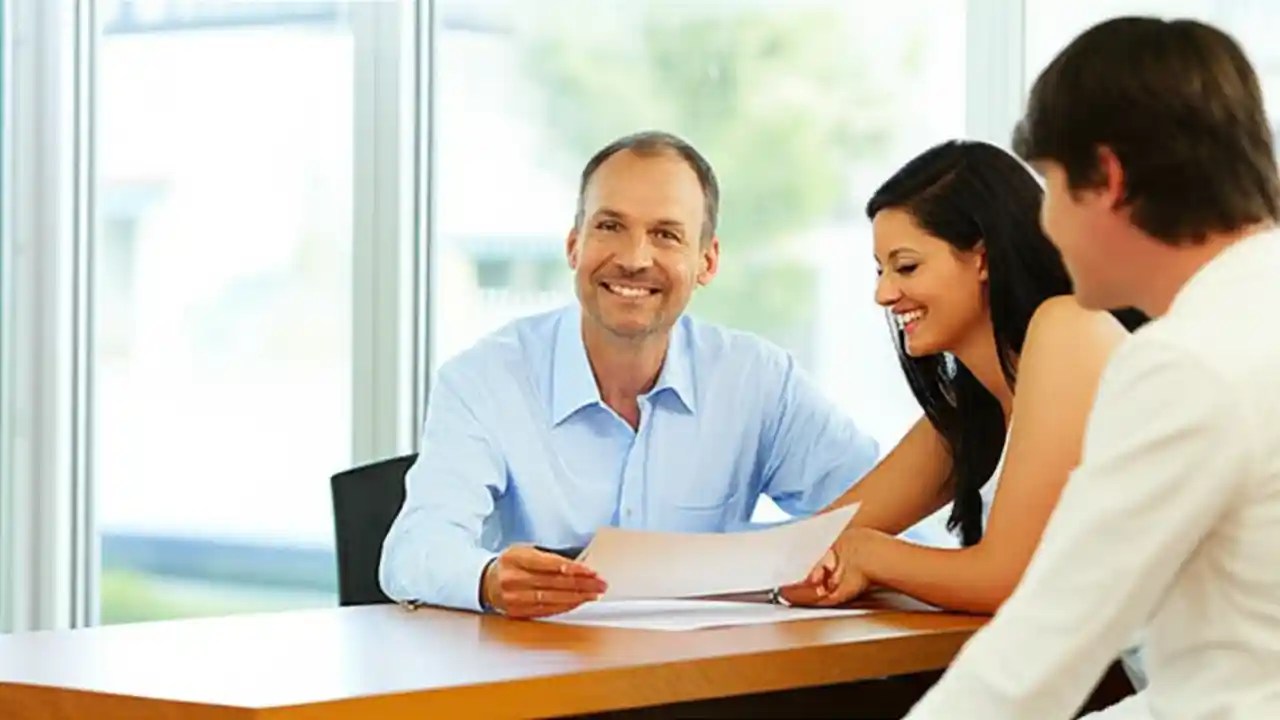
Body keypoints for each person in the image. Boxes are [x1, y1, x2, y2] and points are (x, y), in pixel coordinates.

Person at [905, 17, 1280, 719]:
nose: (1042, 223)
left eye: (1048, 184)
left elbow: (1038, 656)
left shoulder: (1187, 364)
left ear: (1107, 179)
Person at [379, 130, 880, 618]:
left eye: (665, 235)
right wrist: (488, 578)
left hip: (713, 683)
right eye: (610, 226)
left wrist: (837, 566)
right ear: (574, 245)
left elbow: (890, 518)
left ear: (706, 261)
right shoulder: (482, 380)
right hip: (542, 680)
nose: (634, 259)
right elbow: (414, 550)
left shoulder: (759, 381)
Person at [783, 140, 1146, 613]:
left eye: (906, 266)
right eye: (879, 270)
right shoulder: (971, 405)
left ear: (982, 257)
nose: (883, 294)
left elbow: (1008, 579)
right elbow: (813, 544)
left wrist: (869, 554)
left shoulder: (1070, 326)